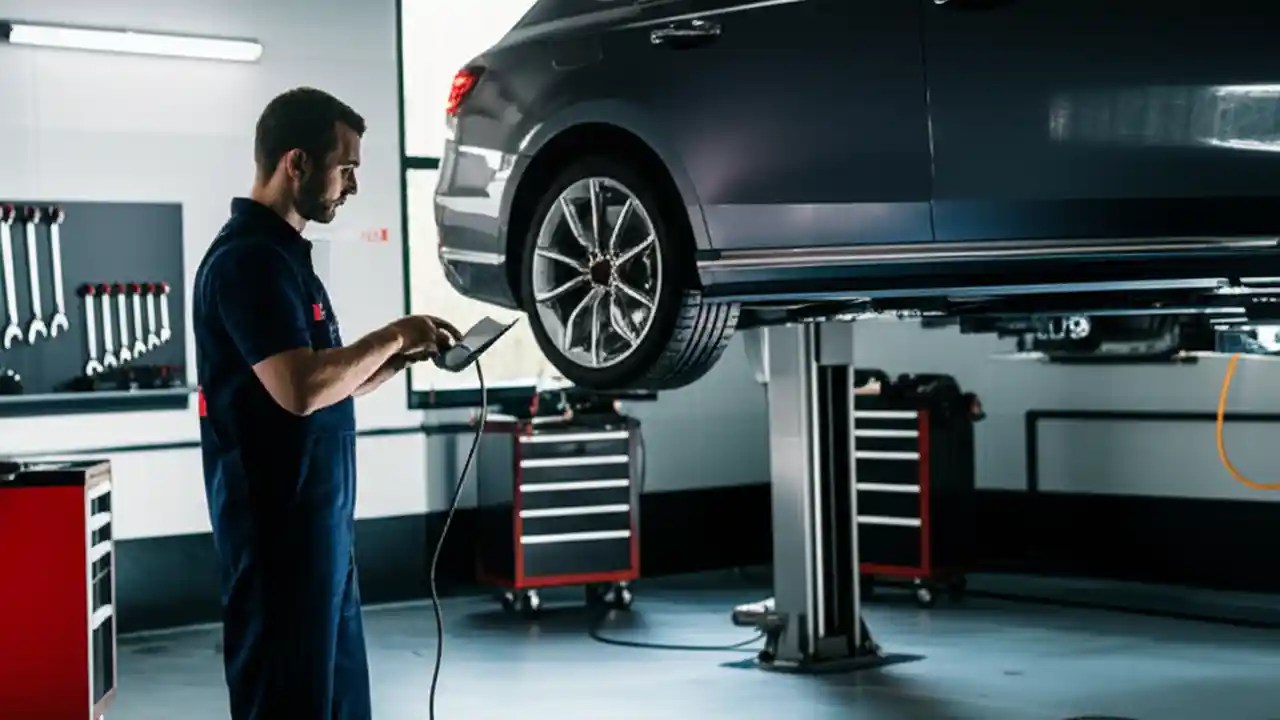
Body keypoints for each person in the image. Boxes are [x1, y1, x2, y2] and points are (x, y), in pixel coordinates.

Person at [192, 87, 459, 720]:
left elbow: (324, 379)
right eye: (347, 168)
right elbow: (302, 388)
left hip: (323, 537)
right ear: (297, 164)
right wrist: (390, 334)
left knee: (337, 705)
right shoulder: (247, 262)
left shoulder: (287, 260)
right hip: (279, 543)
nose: (354, 186)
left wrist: (393, 360)